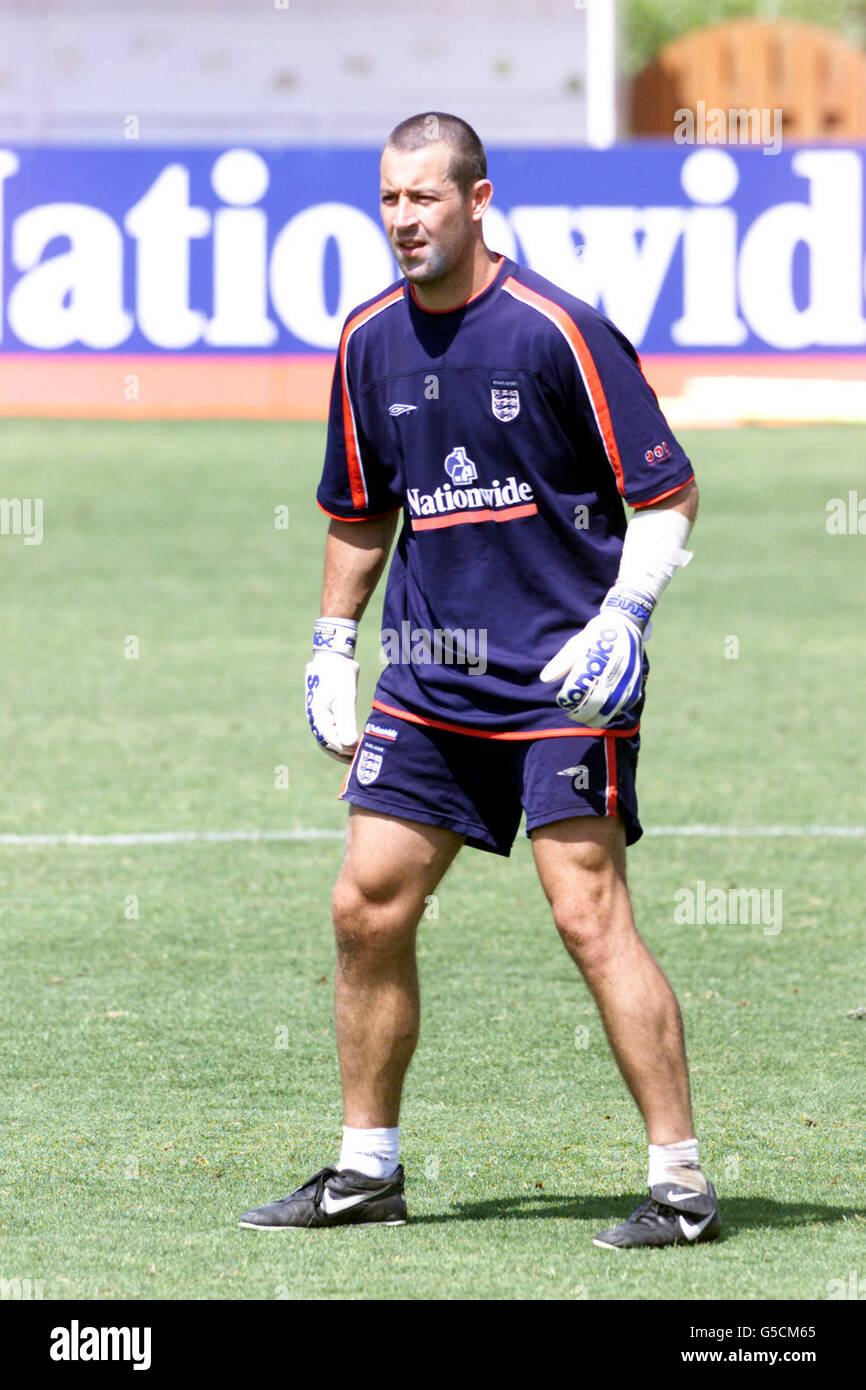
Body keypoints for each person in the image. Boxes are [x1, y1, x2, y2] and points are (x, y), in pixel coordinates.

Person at [239, 112, 720, 1248]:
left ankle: (683, 1183)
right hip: (428, 676)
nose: (404, 219)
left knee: (585, 914)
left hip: (563, 678)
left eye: (424, 198)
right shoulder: (366, 339)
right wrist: (328, 640)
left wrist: (625, 615)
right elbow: (362, 511)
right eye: (389, 199)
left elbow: (666, 493)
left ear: (477, 199)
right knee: (365, 905)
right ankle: (367, 1170)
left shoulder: (556, 329)